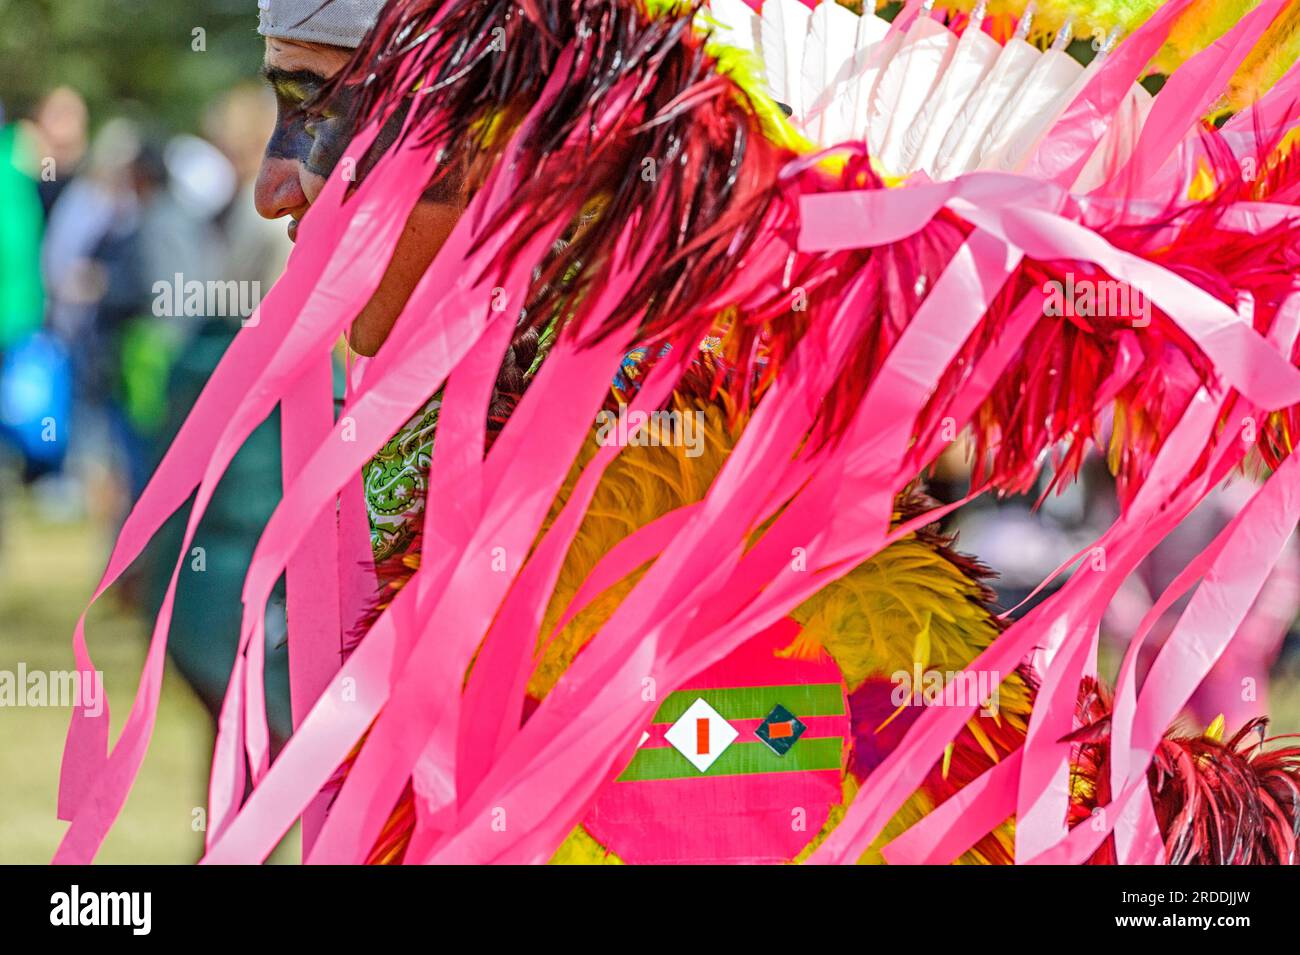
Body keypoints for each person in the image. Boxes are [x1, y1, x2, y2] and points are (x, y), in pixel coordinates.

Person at [59, 0, 1300, 865]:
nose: (279, 180)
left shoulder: (663, 569)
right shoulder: (557, 500)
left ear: (503, 132)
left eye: (315, 105)